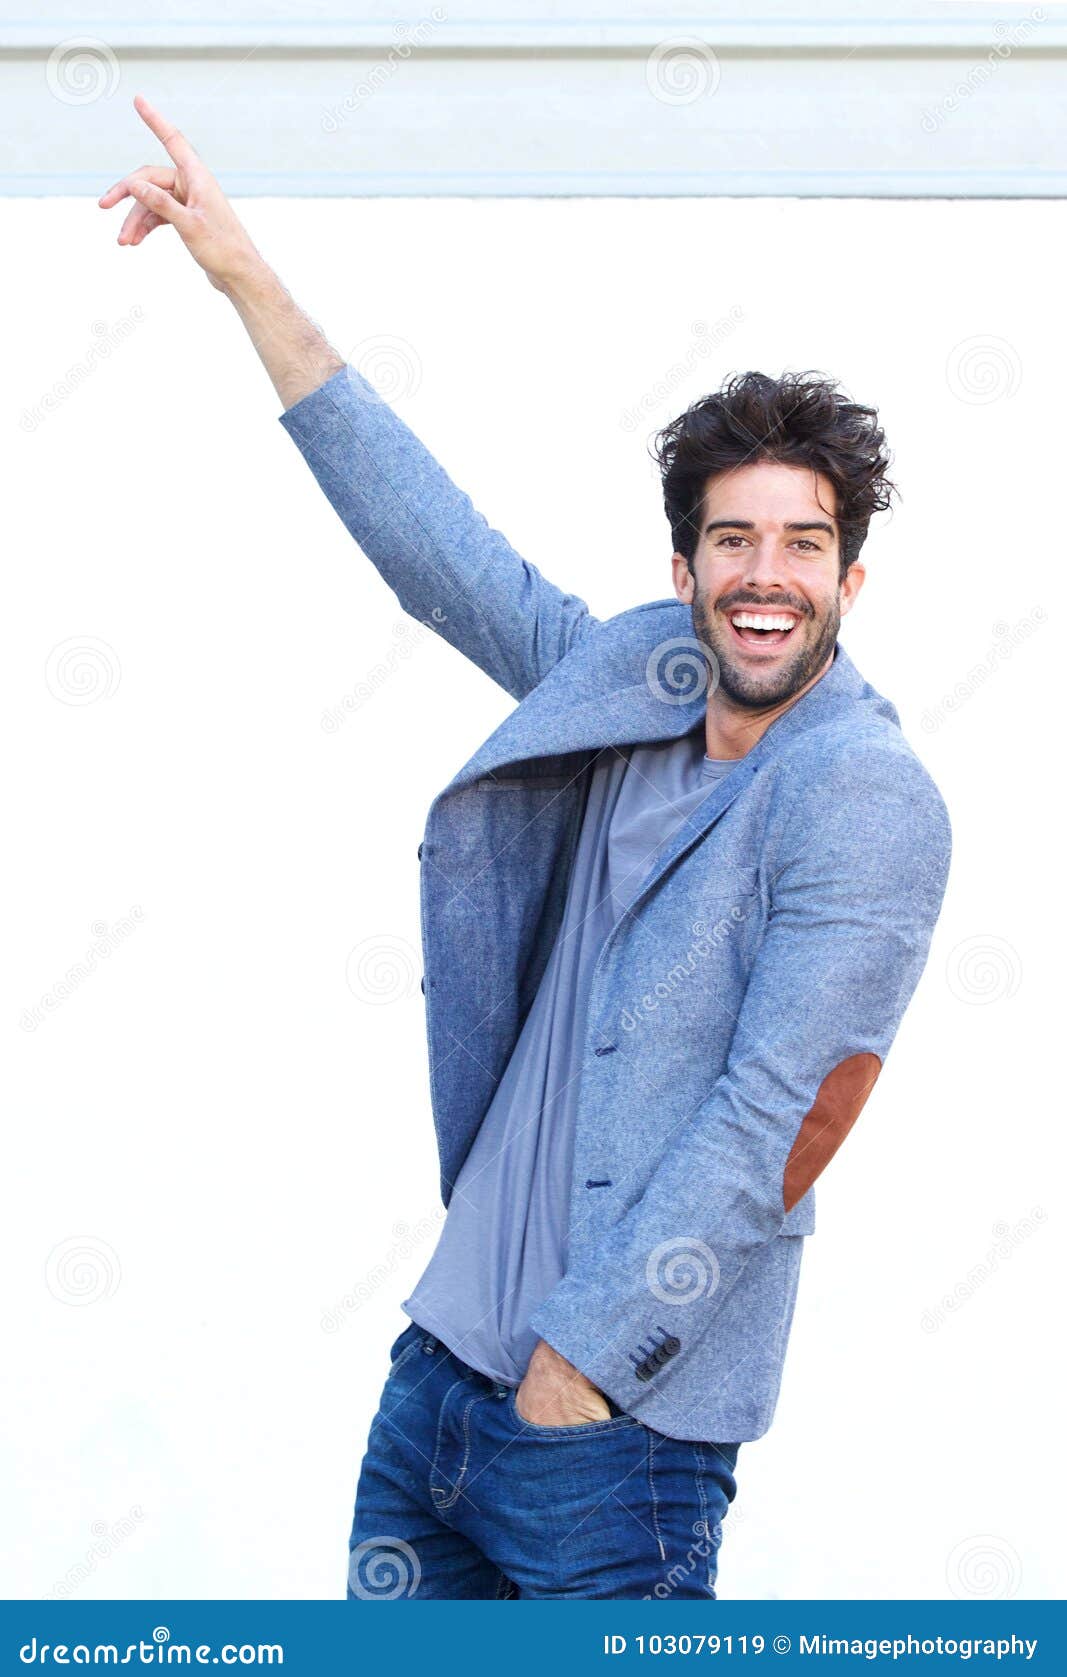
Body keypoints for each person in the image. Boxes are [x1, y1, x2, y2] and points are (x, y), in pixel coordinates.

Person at [100, 95, 952, 1601]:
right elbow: (445, 557)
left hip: (607, 1438)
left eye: (802, 544)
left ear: (852, 575)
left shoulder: (862, 791)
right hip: (438, 1382)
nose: (766, 577)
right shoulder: (640, 683)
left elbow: (782, 1116)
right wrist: (245, 279)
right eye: (734, 541)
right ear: (681, 566)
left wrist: (584, 1366)